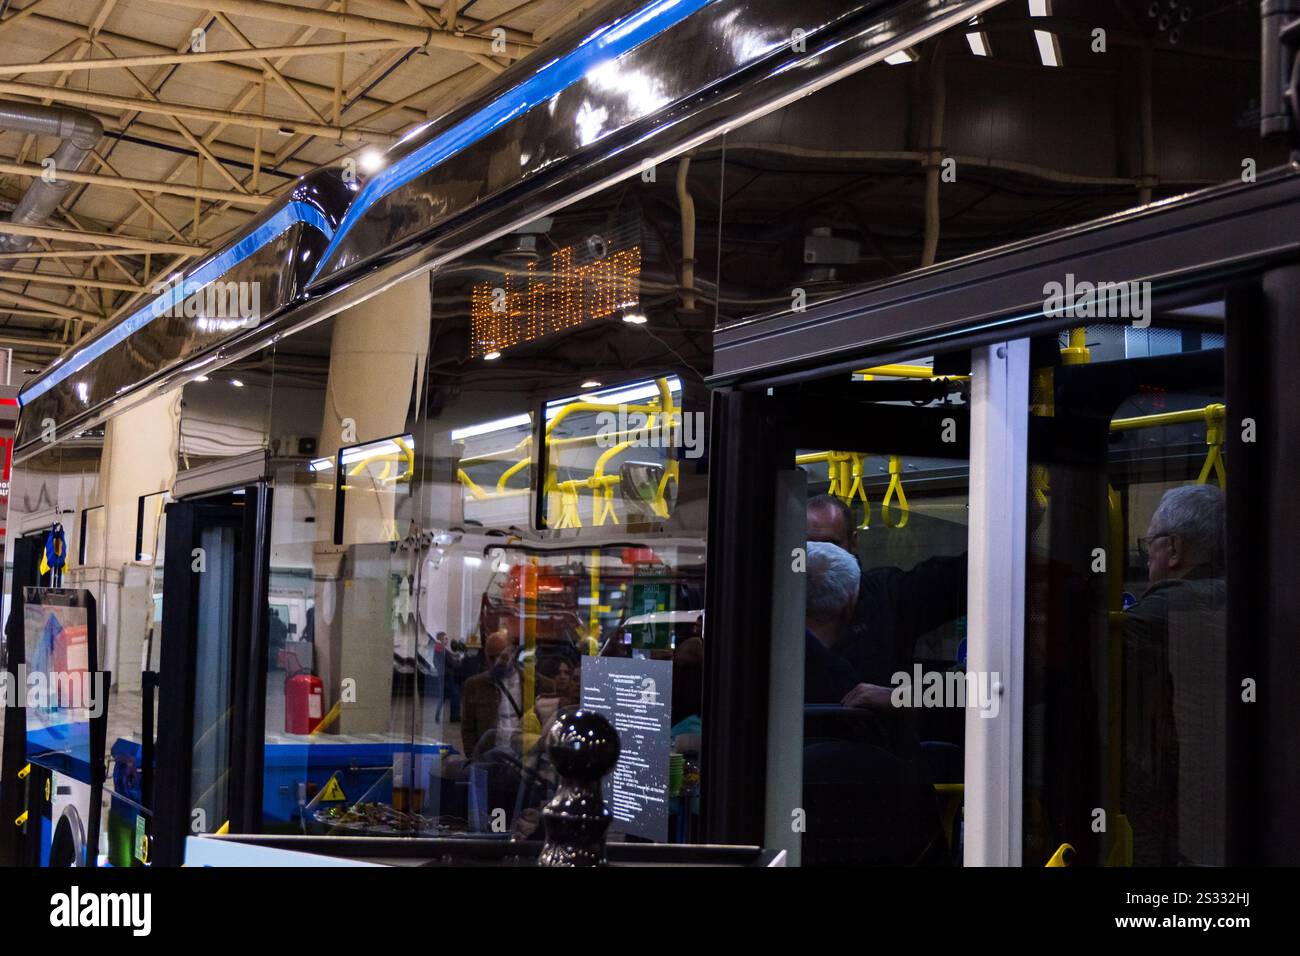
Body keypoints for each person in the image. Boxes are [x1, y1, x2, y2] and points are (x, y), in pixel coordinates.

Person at [1123, 484, 1226, 866]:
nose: (1146, 559)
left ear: (1174, 550)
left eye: (1148, 545)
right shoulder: (1255, 600)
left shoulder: (1158, 616)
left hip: (1175, 814)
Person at [806, 493, 966, 695]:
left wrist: (901, 699)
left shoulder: (889, 596)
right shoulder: (780, 603)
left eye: (831, 545)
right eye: (810, 546)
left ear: (853, 543)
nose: (820, 556)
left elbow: (961, 576)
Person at [460, 629, 524, 757]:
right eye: (491, 658)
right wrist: (475, 758)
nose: (497, 662)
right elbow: (468, 729)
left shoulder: (531, 682)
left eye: (502, 656)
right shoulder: (474, 685)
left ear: (513, 653)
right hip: (489, 758)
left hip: (523, 759)